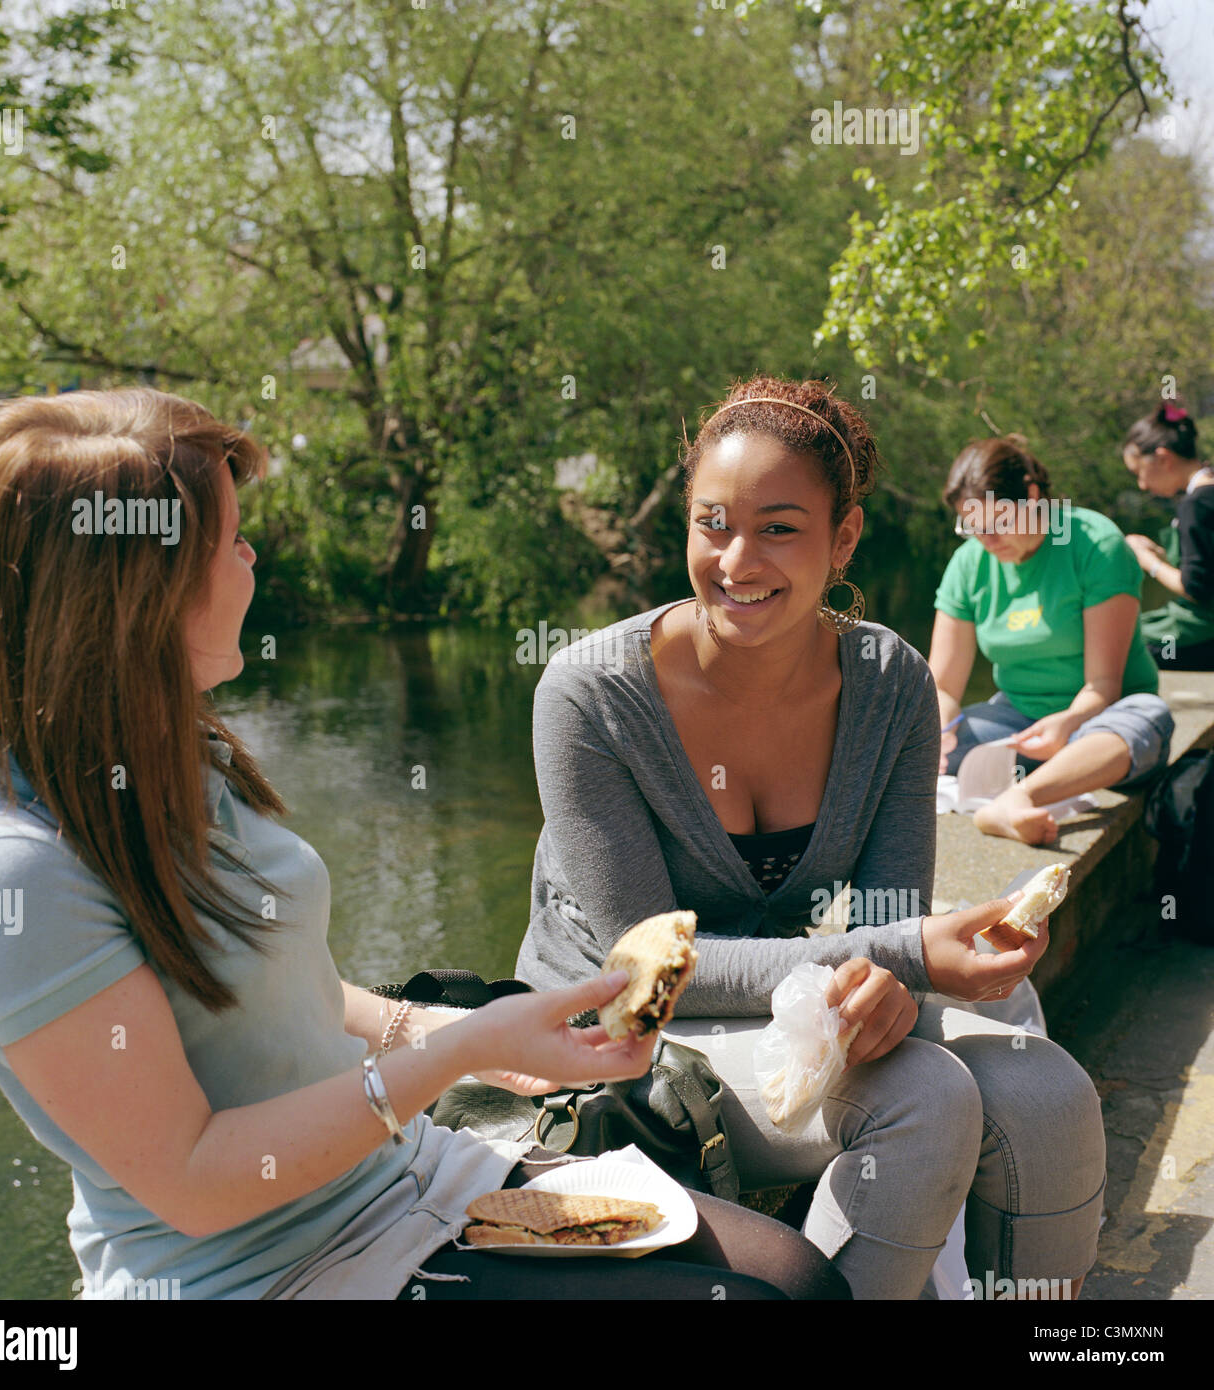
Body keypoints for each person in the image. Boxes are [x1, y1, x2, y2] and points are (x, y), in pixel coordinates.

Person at [0, 387, 849, 1301]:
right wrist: (448, 1059)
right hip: (272, 1270)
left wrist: (466, 1036)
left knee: (796, 1279)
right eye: (232, 542)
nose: (254, 563)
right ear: (134, 594)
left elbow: (293, 1001)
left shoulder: (171, 753)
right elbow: (197, 1182)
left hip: (407, 1179)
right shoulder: (17, 873)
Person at [515, 376, 1107, 1300]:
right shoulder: (590, 695)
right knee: (925, 1097)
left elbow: (884, 922)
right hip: (615, 1044)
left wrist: (886, 981)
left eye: (779, 528)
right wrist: (902, 954)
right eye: (712, 523)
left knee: (1050, 1095)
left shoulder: (891, 685)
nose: (736, 561)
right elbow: (641, 972)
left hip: (788, 1003)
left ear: (844, 539)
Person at [931, 433, 1174, 845]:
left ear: (1031, 494)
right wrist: (935, 733)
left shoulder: (1095, 544)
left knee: (1151, 718)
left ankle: (1018, 798)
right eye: (972, 528)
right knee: (907, 746)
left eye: (998, 523)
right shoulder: (968, 564)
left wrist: (1069, 722)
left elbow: (1103, 685)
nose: (986, 541)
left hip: (1097, 719)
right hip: (1015, 720)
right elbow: (943, 685)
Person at [1121, 401, 1214, 671]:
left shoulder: (1196, 504)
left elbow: (1197, 588)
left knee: (1120, 642)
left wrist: (1147, 560)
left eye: (1139, 472)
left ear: (1163, 458)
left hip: (1205, 632)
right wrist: (1162, 554)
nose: (1142, 485)